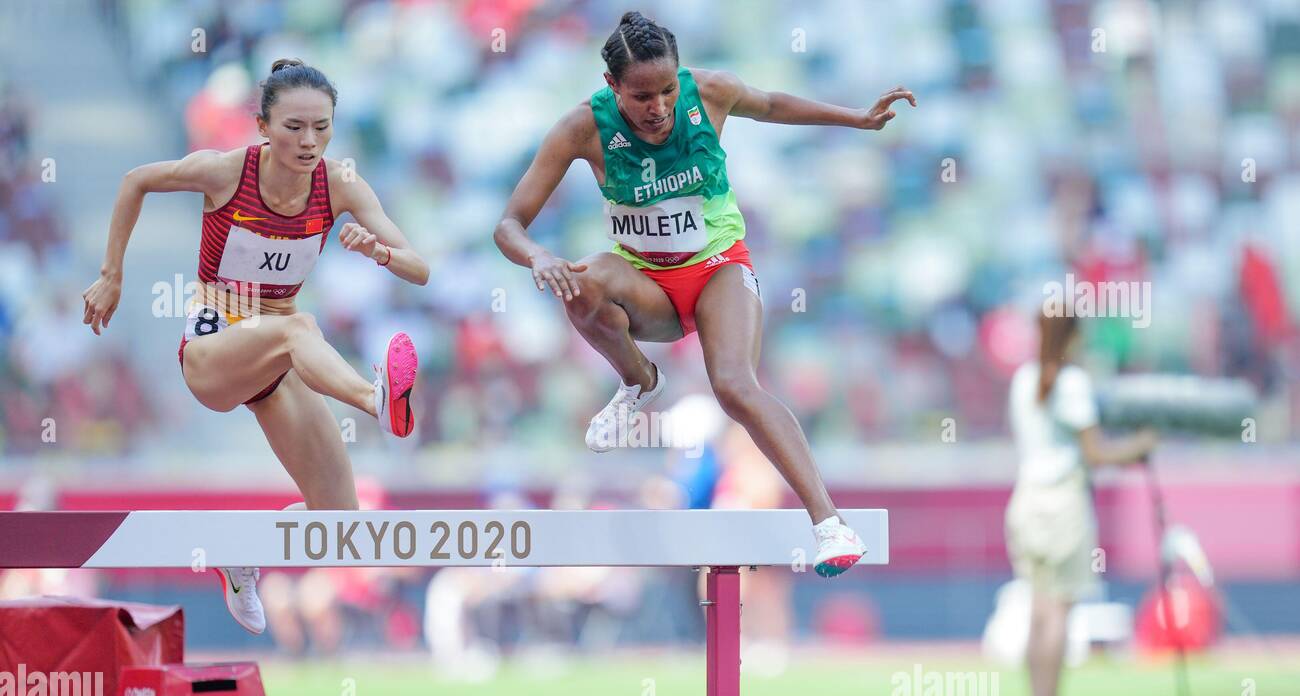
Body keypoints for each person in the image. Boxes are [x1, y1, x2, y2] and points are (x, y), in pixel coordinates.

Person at [494, 11, 914, 577]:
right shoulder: (582, 129)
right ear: (612, 86)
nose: (659, 108)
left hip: (718, 269)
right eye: (642, 96)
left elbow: (772, 105)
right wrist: (539, 257)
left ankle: (829, 523)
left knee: (736, 387)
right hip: (648, 287)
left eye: (668, 90)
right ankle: (638, 380)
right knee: (581, 278)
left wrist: (856, 119)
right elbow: (509, 225)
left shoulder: (709, 92)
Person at [80, 59, 427, 634]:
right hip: (214, 350)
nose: (309, 140)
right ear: (263, 126)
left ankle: (241, 552)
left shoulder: (339, 184)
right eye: (293, 126)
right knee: (299, 326)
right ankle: (377, 403)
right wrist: (112, 273)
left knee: (341, 526)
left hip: (276, 361)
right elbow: (134, 179)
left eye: (322, 126)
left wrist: (378, 251)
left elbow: (420, 268)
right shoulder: (225, 172)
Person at [1005, 305, 1157, 696]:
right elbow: (1096, 453)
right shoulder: (1071, 382)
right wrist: (1140, 446)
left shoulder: (1023, 379)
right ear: (1073, 336)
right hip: (1062, 501)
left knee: (1038, 611)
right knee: (1058, 611)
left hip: (1026, 499)